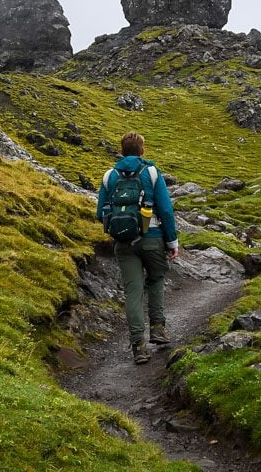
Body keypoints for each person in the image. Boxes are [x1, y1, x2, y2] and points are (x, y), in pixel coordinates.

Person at [96, 131, 180, 364]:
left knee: (133, 291)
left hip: (123, 242)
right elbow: (165, 210)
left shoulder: (109, 176)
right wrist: (172, 242)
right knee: (156, 279)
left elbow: (100, 211)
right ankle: (157, 329)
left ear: (122, 150)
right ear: (142, 150)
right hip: (152, 238)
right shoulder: (151, 172)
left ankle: (138, 347)